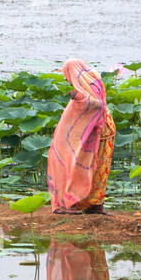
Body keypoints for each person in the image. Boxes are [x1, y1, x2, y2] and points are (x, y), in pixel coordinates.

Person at [47, 59, 115, 215]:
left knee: (78, 165)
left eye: (67, 75)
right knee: (99, 168)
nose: (67, 80)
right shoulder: (94, 80)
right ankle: (93, 204)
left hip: (98, 132)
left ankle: (72, 203)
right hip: (105, 128)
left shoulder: (89, 85)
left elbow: (97, 105)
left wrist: (80, 98)